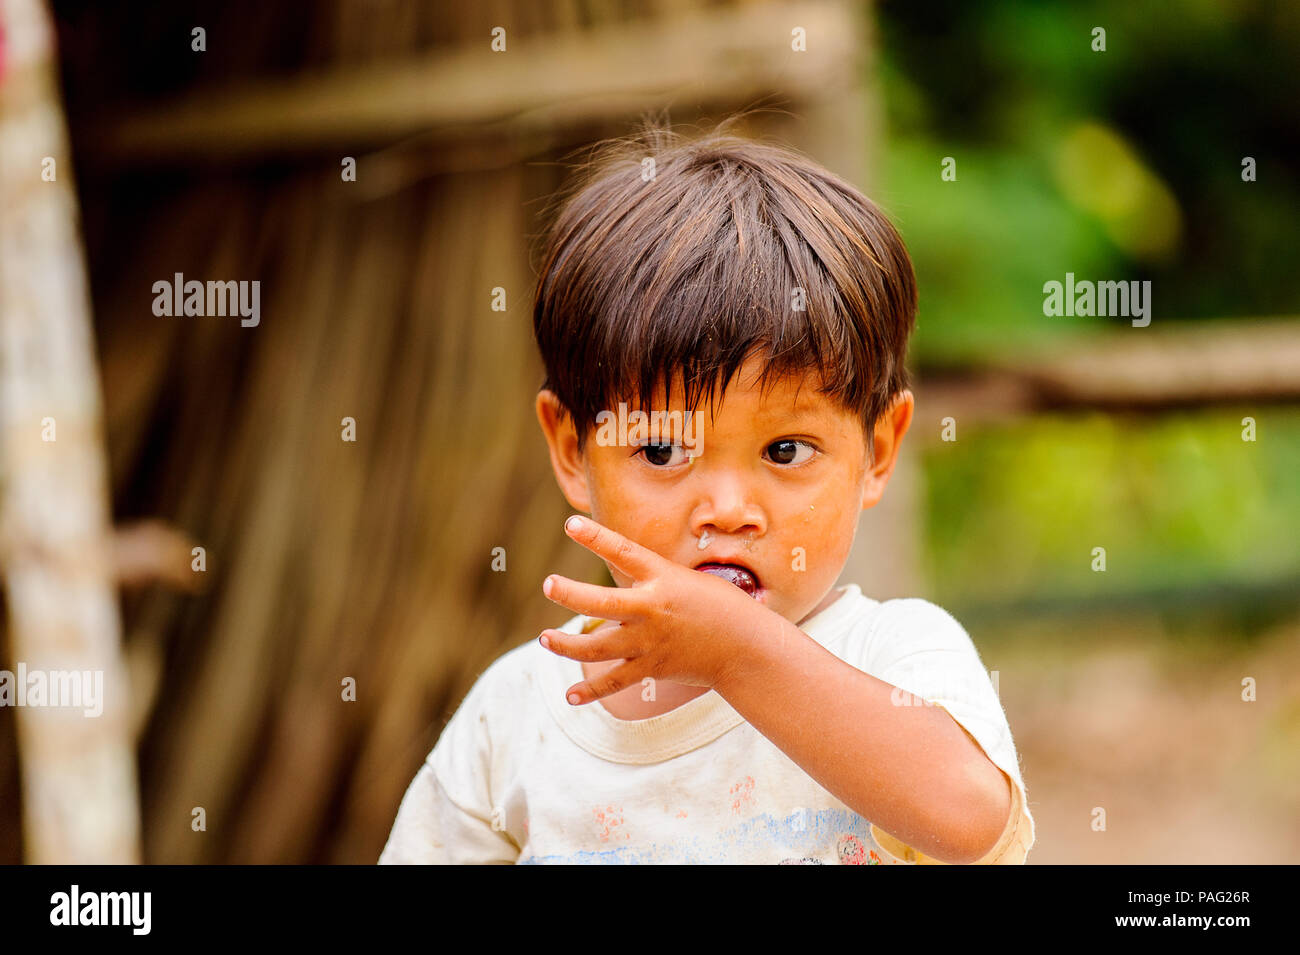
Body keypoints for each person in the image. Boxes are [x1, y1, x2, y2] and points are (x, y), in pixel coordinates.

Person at [379, 116, 1034, 864]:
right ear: (571, 449)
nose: (727, 510)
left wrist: (737, 653)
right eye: (660, 449)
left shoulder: (893, 656)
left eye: (785, 450)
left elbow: (970, 814)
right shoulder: (520, 711)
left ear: (878, 451)